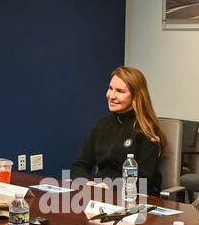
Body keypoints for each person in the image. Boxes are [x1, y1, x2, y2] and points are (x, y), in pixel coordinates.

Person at [70, 66, 165, 196]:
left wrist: (111, 185)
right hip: (101, 195)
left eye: (119, 91)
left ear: (136, 96)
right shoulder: (102, 125)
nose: (111, 96)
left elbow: (144, 180)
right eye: (110, 88)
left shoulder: (147, 130)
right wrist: (87, 182)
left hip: (134, 198)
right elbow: (79, 164)